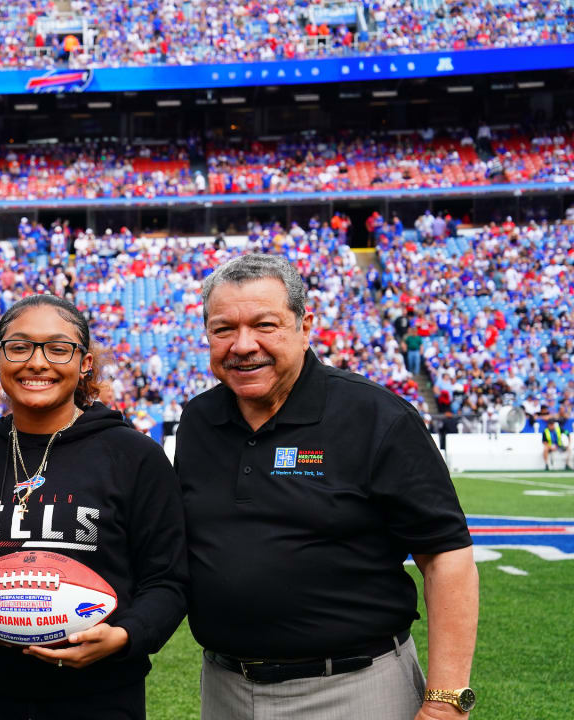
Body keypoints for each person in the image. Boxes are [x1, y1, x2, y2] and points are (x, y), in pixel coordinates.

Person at [175, 254, 479, 720]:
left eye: (265, 325)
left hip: (354, 688)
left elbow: (446, 558)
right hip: (226, 688)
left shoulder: (377, 417)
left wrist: (445, 703)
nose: (243, 345)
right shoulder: (198, 421)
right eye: (223, 329)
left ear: (305, 325)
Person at [0, 294, 188, 720]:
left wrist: (125, 635)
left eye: (57, 348)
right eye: (19, 347)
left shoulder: (134, 455)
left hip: (103, 699)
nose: (37, 362)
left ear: (84, 362)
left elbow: (169, 578)